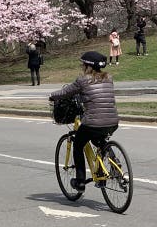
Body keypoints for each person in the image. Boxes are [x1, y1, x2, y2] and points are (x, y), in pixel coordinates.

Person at [48, 51, 119, 193]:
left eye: (83, 64)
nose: (82, 66)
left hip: (93, 122)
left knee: (78, 144)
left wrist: (52, 96)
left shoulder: (83, 80)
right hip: (113, 121)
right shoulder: (109, 78)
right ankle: (114, 164)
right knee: (99, 140)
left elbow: (66, 92)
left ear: (88, 66)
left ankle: (80, 182)